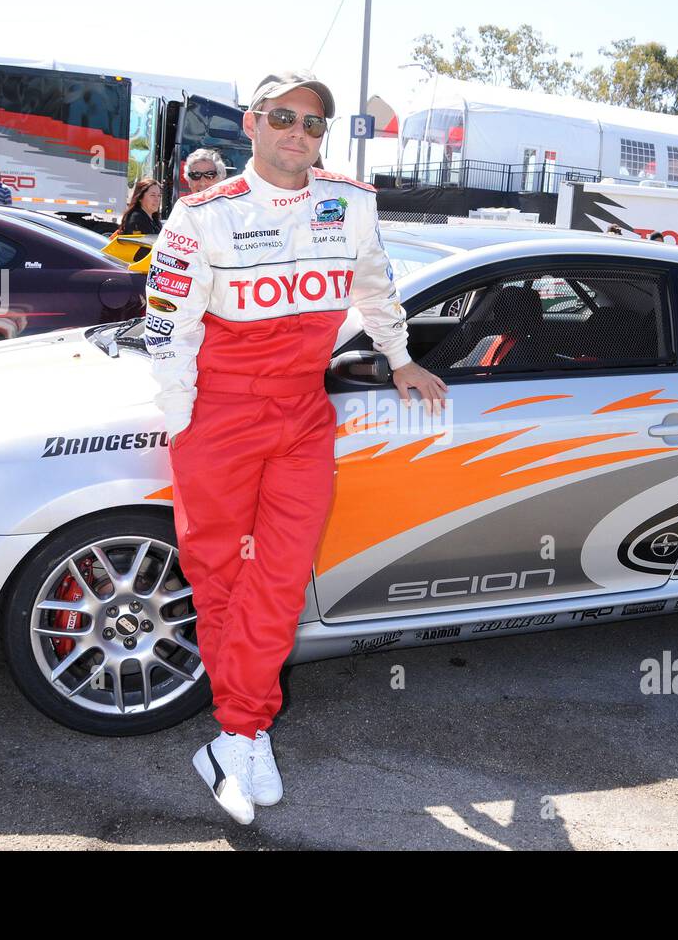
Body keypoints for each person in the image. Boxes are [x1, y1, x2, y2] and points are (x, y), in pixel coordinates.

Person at [143, 69, 447, 825]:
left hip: (303, 416)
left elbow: (376, 288)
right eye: (284, 117)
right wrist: (183, 419)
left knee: (279, 580)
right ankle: (241, 731)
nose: (299, 133)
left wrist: (400, 356)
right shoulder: (199, 212)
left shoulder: (352, 203)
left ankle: (238, 732)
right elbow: (167, 327)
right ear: (251, 125)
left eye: (314, 123)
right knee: (217, 580)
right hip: (218, 417)